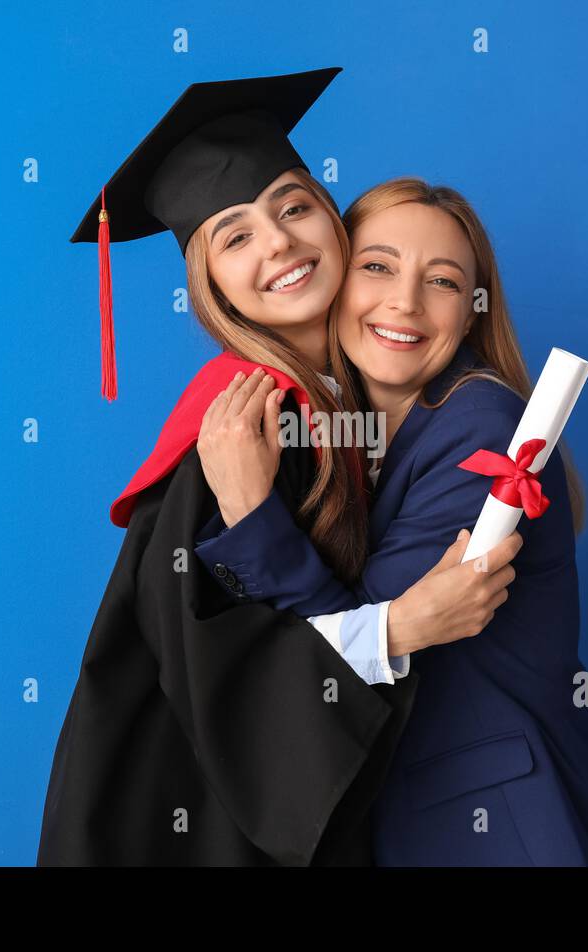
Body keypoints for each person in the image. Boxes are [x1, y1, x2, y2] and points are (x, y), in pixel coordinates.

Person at [36, 71, 519, 866]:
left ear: (333, 221)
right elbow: (228, 678)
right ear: (211, 283)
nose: (280, 244)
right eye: (234, 236)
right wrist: (400, 626)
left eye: (293, 207)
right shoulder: (247, 427)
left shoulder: (342, 408)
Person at [193, 178, 588, 865]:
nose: (405, 302)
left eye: (445, 282)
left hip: (495, 825)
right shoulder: (353, 437)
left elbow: (345, 662)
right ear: (334, 277)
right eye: (377, 267)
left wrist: (251, 512)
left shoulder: (479, 430)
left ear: (471, 312)